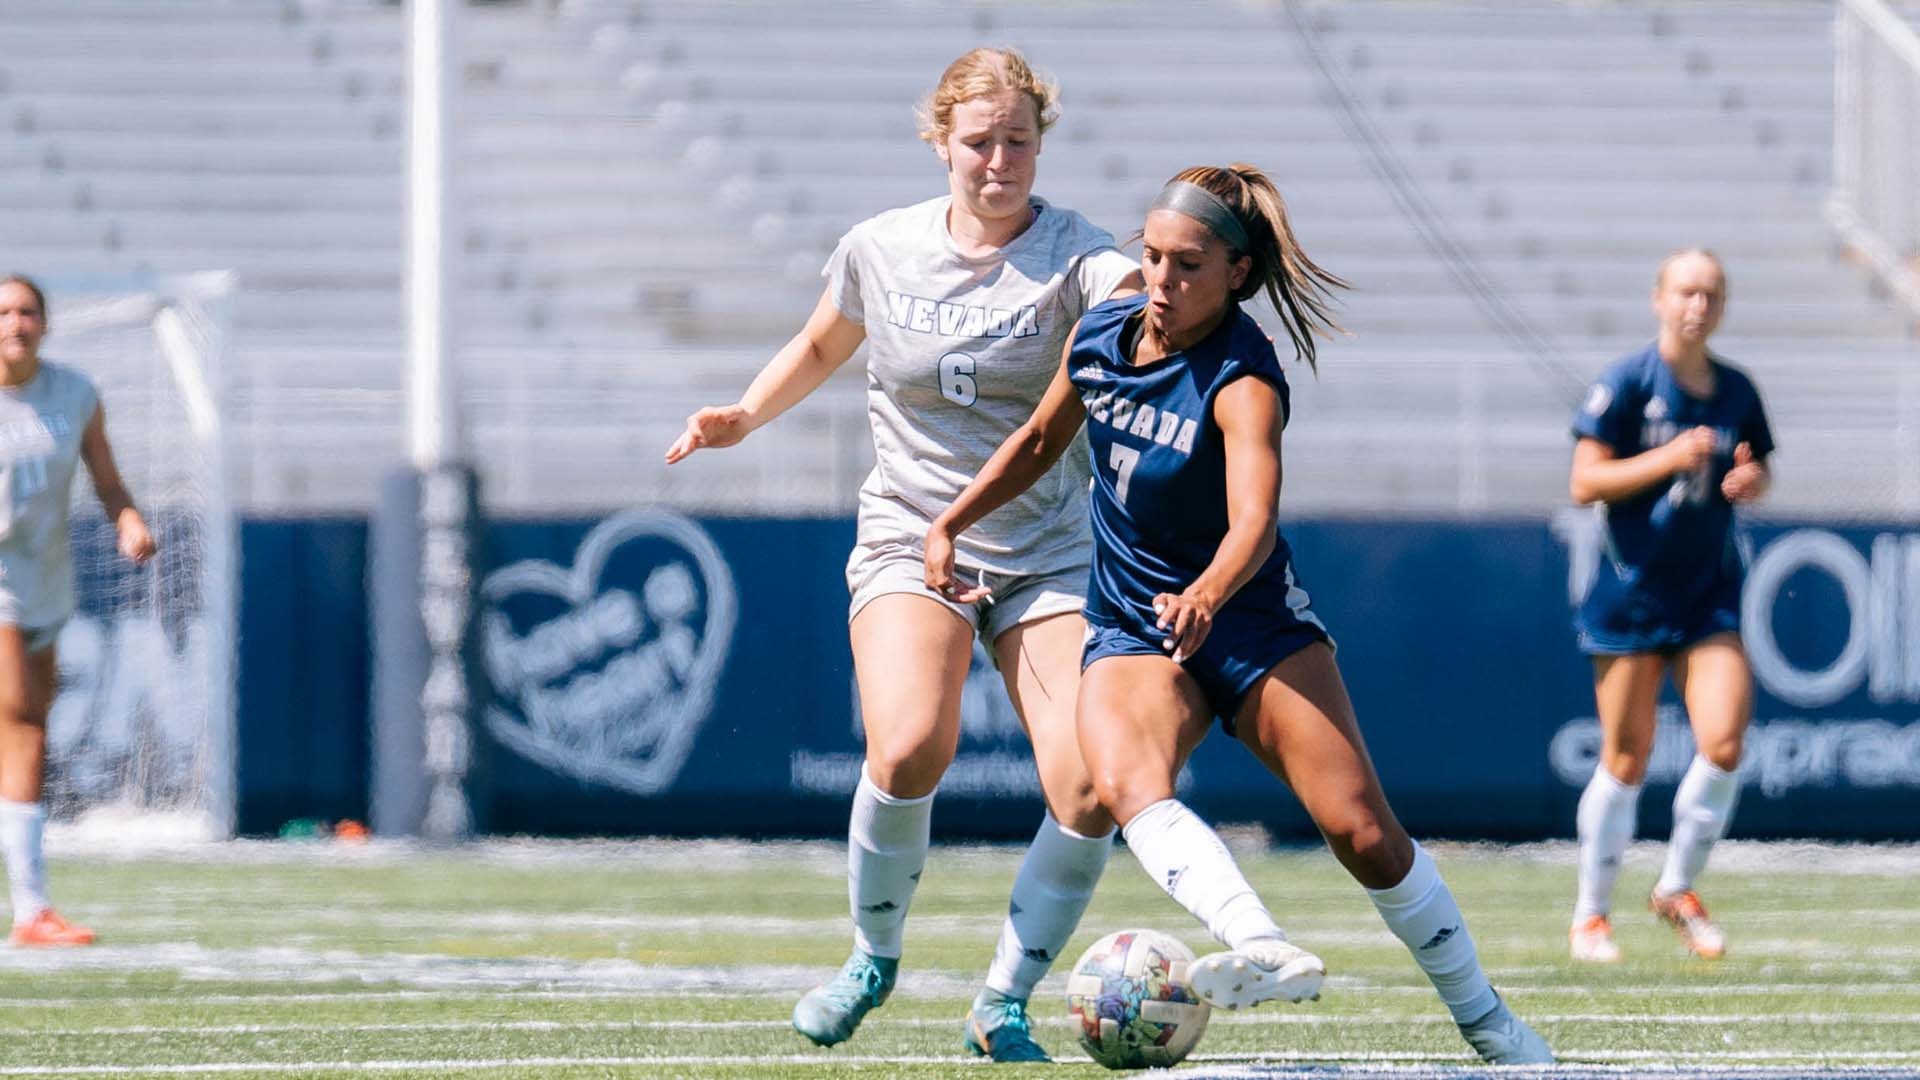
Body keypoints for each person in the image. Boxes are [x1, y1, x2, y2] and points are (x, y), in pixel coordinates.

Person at [924, 164, 1554, 1065]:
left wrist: (1208, 595)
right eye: (1150, 259)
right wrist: (951, 521)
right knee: (1122, 781)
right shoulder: (1102, 335)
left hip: (1250, 620)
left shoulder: (1244, 376)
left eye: (1187, 266)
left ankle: (1490, 1023)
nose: (1162, 285)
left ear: (1238, 275)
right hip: (1138, 625)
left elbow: (1254, 521)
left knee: (1365, 834)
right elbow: (1035, 441)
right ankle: (1256, 942)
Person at [664, 48, 1141, 1061]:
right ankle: (872, 959)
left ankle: (1003, 1001)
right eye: (980, 142)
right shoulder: (880, 247)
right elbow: (824, 344)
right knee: (909, 745)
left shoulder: (1077, 251)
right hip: (909, 532)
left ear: (1041, 141)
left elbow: (1135, 291)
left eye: (1019, 141)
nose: (1000, 161)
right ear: (939, 142)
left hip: (1046, 549)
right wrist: (744, 415)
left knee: (1091, 789)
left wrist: (1165, 282)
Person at [1565, 249, 1772, 964]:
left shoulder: (1736, 390)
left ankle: (1676, 886)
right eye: (1687, 291)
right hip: (1630, 594)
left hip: (1707, 596)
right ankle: (1591, 916)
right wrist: (1669, 458)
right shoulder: (1625, 382)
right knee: (1626, 758)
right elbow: (1584, 481)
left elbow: (1757, 465)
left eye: (1711, 294)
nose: (1698, 306)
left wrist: (1750, 481)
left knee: (1724, 743)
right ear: (1659, 298)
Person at [0, 274, 156, 946]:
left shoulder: (74, 395)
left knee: (31, 730)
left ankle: (32, 908)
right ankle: (31, 906)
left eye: (27, 311)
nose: (16, 322)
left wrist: (128, 521)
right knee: (20, 725)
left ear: (46, 323)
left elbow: (108, 480)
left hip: (46, 582)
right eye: (3, 311)